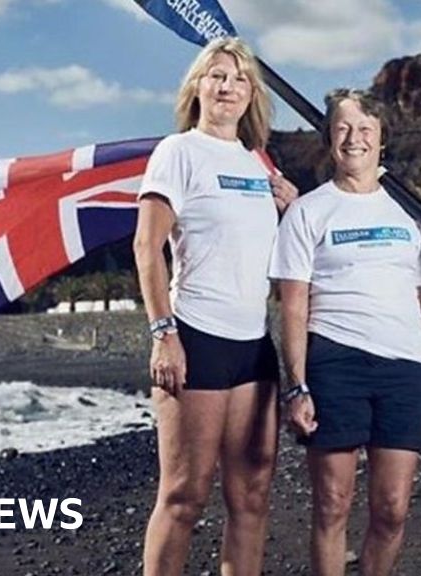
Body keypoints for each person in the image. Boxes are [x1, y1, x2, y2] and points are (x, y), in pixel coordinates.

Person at [270, 89, 421, 576]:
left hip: (405, 368)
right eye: (344, 128)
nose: (355, 139)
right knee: (332, 503)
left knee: (391, 510)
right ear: (329, 140)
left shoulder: (411, 212)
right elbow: (293, 305)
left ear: (381, 139)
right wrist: (297, 385)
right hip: (334, 362)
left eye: (365, 129)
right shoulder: (308, 211)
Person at [133, 37, 297, 576]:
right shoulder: (178, 152)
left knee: (251, 498)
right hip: (195, 339)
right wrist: (164, 332)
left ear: (253, 94)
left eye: (239, 79)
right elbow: (146, 246)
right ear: (197, 87)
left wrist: (291, 211)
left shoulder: (257, 165)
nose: (228, 86)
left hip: (253, 348)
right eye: (217, 76)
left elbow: (273, 264)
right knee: (184, 496)